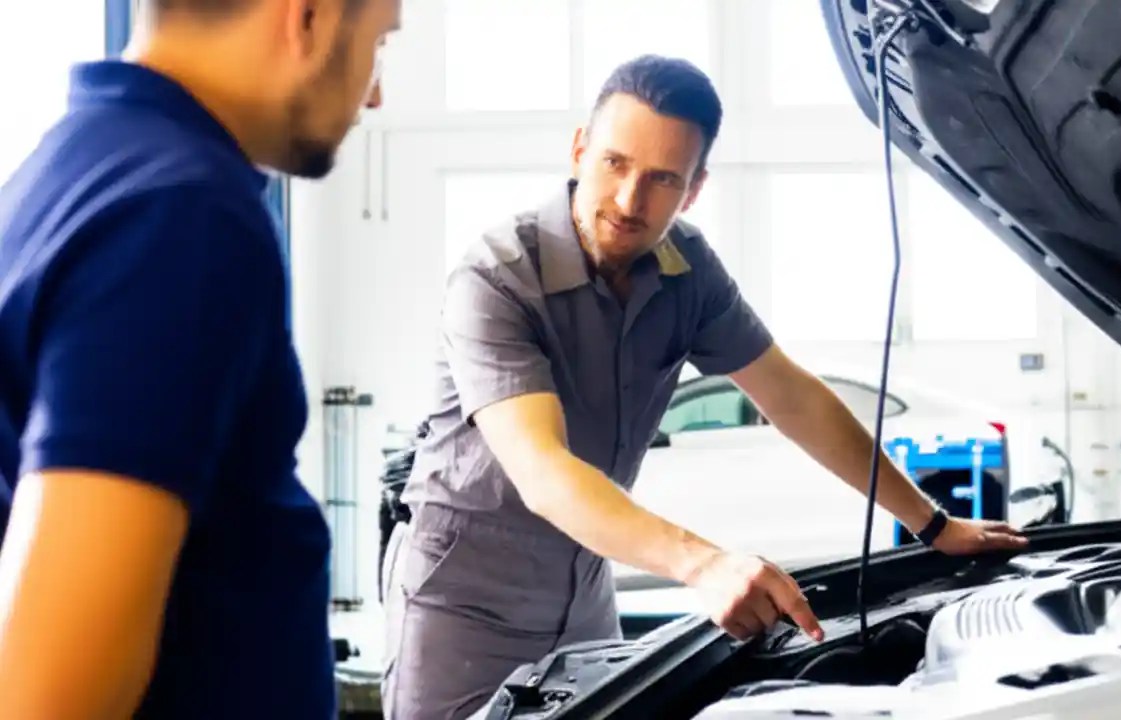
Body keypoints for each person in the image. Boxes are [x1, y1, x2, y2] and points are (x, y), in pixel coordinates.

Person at [381, 54, 1028, 720]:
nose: (631, 201)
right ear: (580, 150)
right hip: (465, 605)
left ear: (694, 188)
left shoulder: (688, 271)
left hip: (584, 592)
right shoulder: (496, 278)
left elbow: (791, 396)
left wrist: (932, 523)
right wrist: (705, 565)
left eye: (663, 179)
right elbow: (544, 474)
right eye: (615, 164)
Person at [0, 1, 400, 718]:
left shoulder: (80, 162)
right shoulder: (181, 216)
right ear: (305, 18)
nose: (374, 93)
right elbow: (48, 701)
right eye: (378, 44)